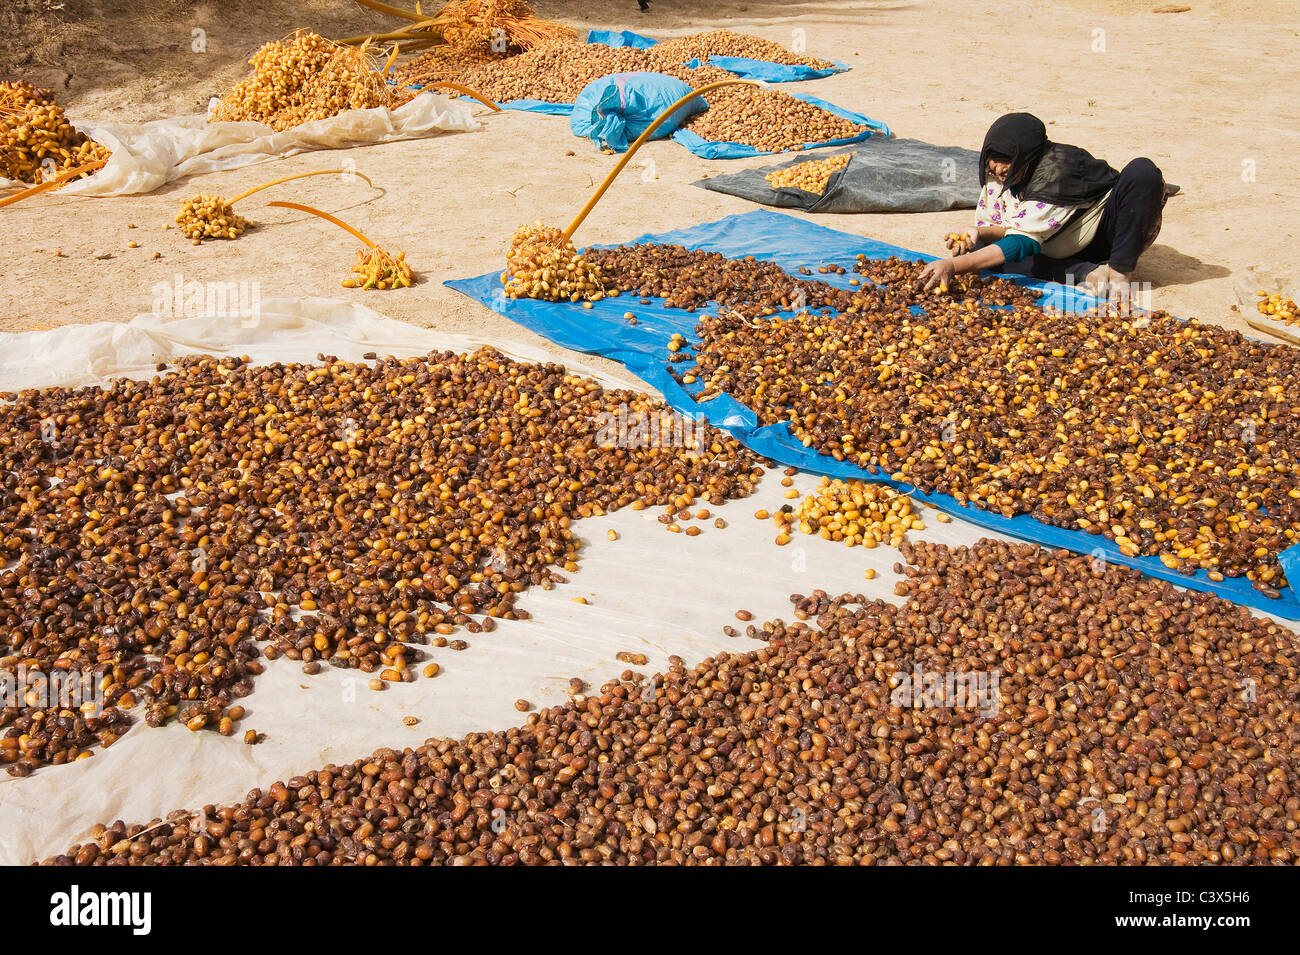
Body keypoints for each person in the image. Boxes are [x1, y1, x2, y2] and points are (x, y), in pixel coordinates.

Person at [918, 112, 1168, 299]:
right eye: (993, 161)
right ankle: (1087, 272)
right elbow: (1011, 230)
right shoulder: (997, 176)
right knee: (982, 250)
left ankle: (1119, 275)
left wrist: (952, 266)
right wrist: (979, 232)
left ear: (1027, 156)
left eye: (1007, 161)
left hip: (1103, 233)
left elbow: (1020, 242)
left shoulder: (1056, 170)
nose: (999, 169)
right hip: (1053, 245)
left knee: (1142, 172)